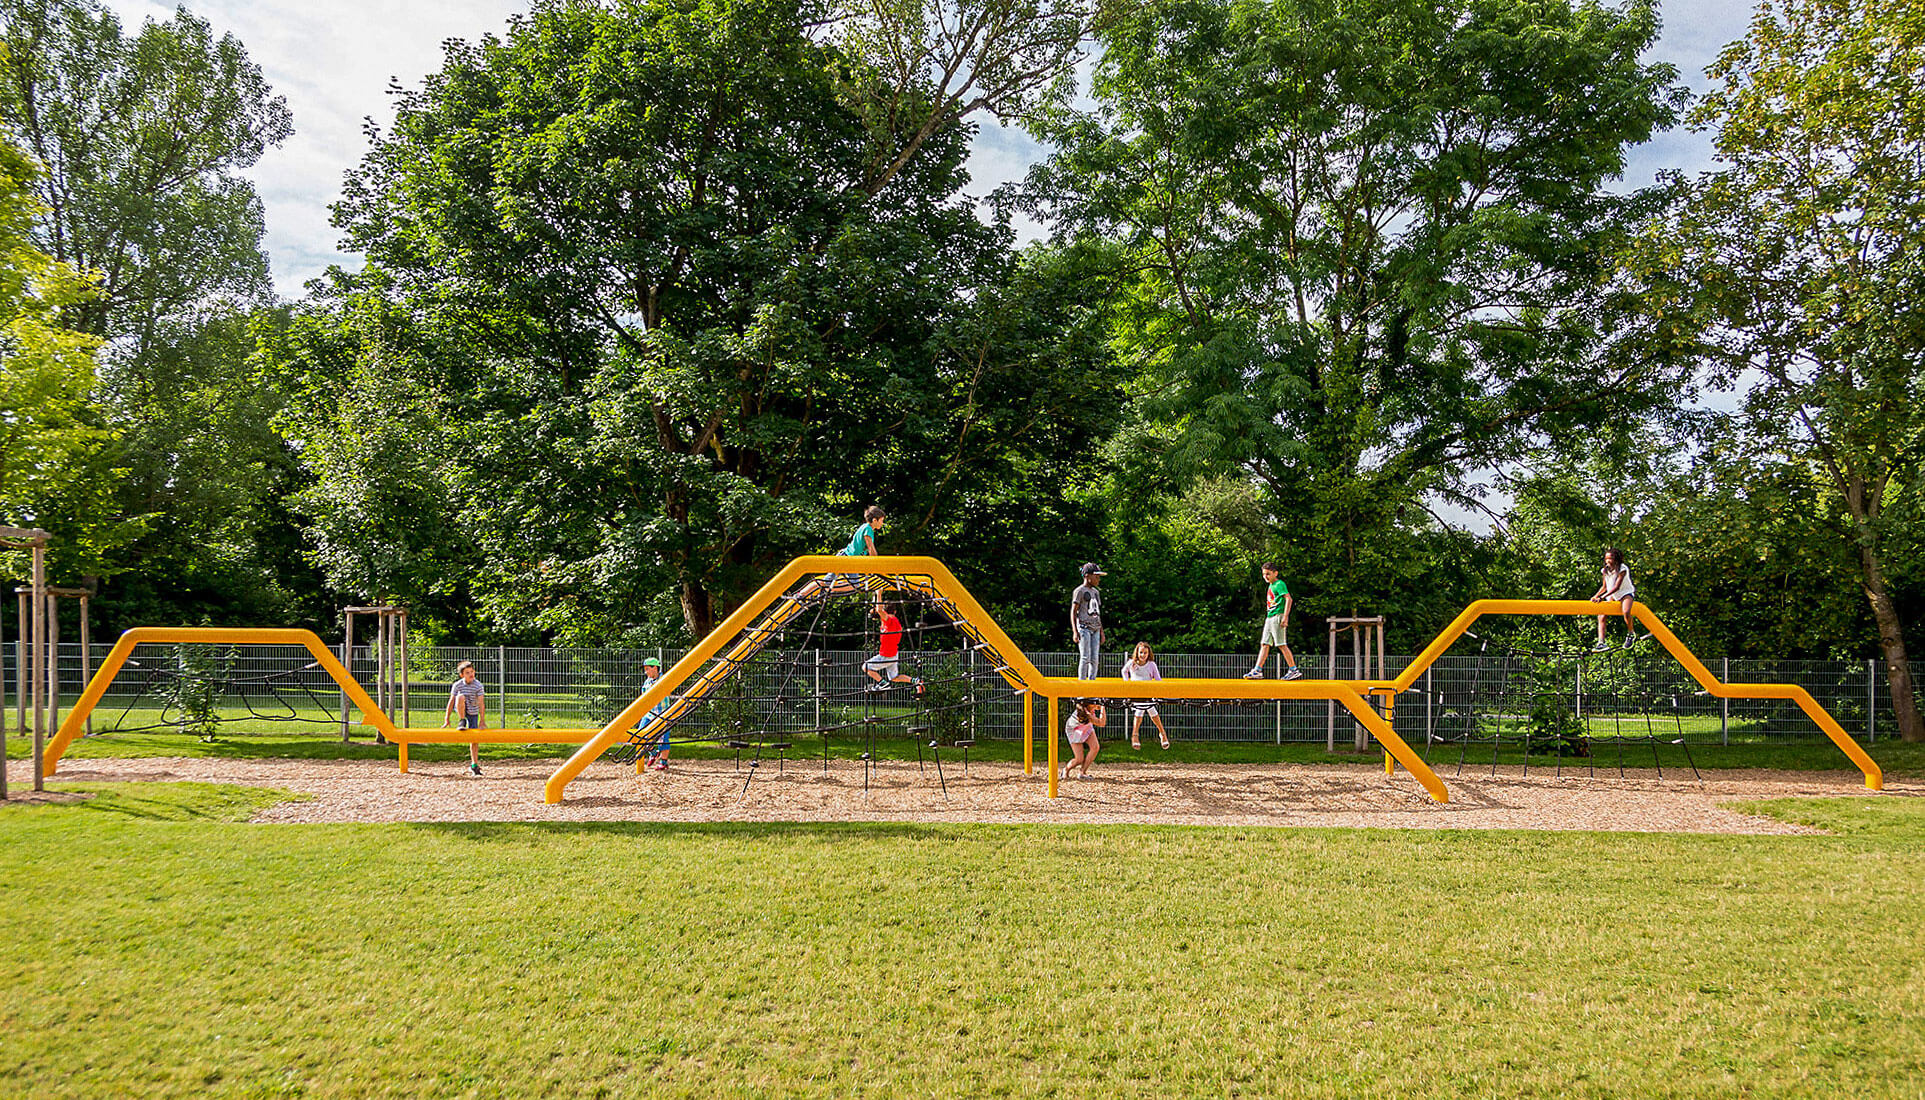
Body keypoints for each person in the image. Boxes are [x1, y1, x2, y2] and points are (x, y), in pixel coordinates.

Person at [799, 505, 886, 599]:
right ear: (874, 520)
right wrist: (877, 564)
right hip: (846, 558)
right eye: (881, 520)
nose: (882, 523)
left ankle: (827, 590)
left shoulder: (866, 528)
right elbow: (871, 548)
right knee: (827, 581)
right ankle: (801, 594)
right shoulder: (868, 529)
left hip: (851, 561)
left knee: (855, 586)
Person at [1244, 562, 1303, 679]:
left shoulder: (1279, 584)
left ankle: (1293, 669)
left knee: (1281, 644)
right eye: (1264, 574)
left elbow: (1288, 599)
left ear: (1275, 573)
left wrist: (1285, 617)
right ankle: (1257, 670)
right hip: (1270, 617)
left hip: (1277, 616)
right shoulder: (1270, 586)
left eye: (1268, 574)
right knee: (1264, 644)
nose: (1266, 577)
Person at [863, 595, 923, 693]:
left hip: (886, 655)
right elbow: (877, 611)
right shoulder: (893, 621)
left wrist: (878, 594)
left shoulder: (890, 621)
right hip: (893, 653)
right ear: (895, 611)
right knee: (894, 677)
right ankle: (916, 681)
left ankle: (883, 683)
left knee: (865, 667)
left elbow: (879, 610)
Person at [1120, 641, 1169, 750]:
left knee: (1149, 709)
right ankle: (1161, 733)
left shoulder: (1151, 665)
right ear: (1137, 653)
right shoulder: (1131, 663)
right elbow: (1124, 671)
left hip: (1147, 692)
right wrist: (1127, 683)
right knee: (1143, 709)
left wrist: (1157, 691)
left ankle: (1136, 735)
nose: (1143, 655)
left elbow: (1158, 679)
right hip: (1136, 692)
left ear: (1149, 654)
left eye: (1145, 653)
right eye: (1141, 652)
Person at [440, 659, 485, 775]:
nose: (471, 675)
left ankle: (474, 765)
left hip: (473, 712)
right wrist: (447, 718)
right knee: (460, 697)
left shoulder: (478, 685)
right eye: (467, 673)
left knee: (474, 740)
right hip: (462, 709)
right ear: (462, 675)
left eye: (472, 672)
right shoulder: (458, 685)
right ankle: (462, 720)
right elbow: (451, 701)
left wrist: (482, 721)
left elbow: (481, 703)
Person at [1590, 547, 1637, 649]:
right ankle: (1601, 642)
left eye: (1610, 558)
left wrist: (1602, 597)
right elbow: (1605, 586)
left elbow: (1617, 587)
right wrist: (1596, 596)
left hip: (1625, 593)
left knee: (1626, 611)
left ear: (1616, 559)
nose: (1607, 561)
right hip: (1612, 595)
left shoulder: (1622, 568)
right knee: (1601, 615)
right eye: (1606, 558)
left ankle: (1631, 633)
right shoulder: (1605, 570)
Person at [635, 656, 675, 770]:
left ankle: (664, 762)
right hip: (649, 714)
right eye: (645, 669)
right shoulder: (647, 681)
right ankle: (652, 753)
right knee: (641, 735)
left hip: (663, 714)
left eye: (647, 669)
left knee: (663, 738)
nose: (645, 671)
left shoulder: (664, 679)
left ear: (655, 668)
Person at [1070, 563, 1105, 680]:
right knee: (1085, 657)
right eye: (1096, 576)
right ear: (1087, 576)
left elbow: (1097, 613)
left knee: (1095, 659)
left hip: (1095, 628)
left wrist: (1101, 632)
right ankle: (1082, 687)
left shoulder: (1096, 592)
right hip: (1084, 628)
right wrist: (1075, 631)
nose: (1098, 579)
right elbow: (1073, 612)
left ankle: (1091, 685)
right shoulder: (1079, 591)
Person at [1061, 698, 1105, 780]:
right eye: (1094, 702)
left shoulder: (1091, 707)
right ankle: (1065, 770)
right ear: (1087, 704)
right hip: (1075, 729)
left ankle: (1082, 772)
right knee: (1079, 759)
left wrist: (1102, 703)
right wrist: (1103, 706)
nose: (1096, 703)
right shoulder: (1085, 713)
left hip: (1086, 727)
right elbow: (1101, 723)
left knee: (1095, 747)